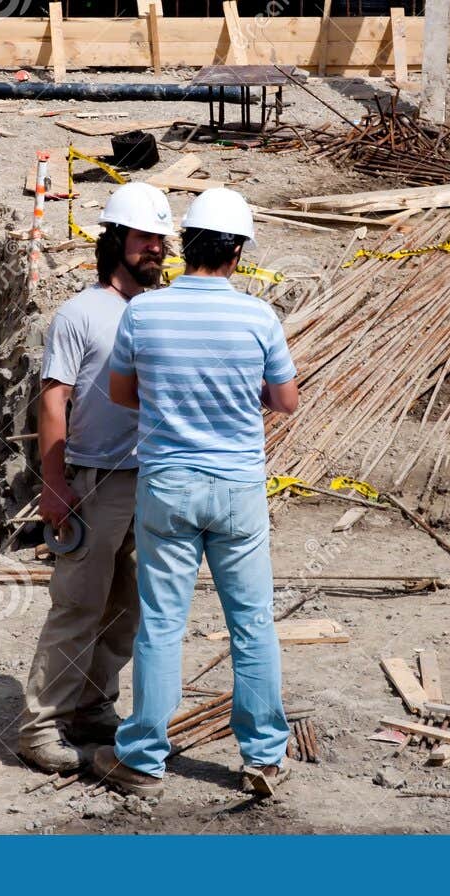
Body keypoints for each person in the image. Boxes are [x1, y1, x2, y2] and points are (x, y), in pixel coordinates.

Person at [92, 188, 300, 798]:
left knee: (160, 624)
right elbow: (286, 402)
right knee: (252, 623)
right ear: (236, 251)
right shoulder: (259, 317)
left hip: (168, 486)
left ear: (184, 246)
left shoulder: (144, 313)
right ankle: (262, 756)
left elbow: (123, 396)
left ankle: (143, 759)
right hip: (237, 488)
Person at [16, 182, 174, 773]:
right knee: (78, 605)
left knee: (124, 609)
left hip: (148, 479)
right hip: (95, 480)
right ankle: (41, 725)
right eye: (142, 238)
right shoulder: (81, 313)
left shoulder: (159, 309)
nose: (153, 249)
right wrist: (54, 483)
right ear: (114, 241)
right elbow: (53, 398)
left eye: (159, 239)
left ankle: (91, 704)